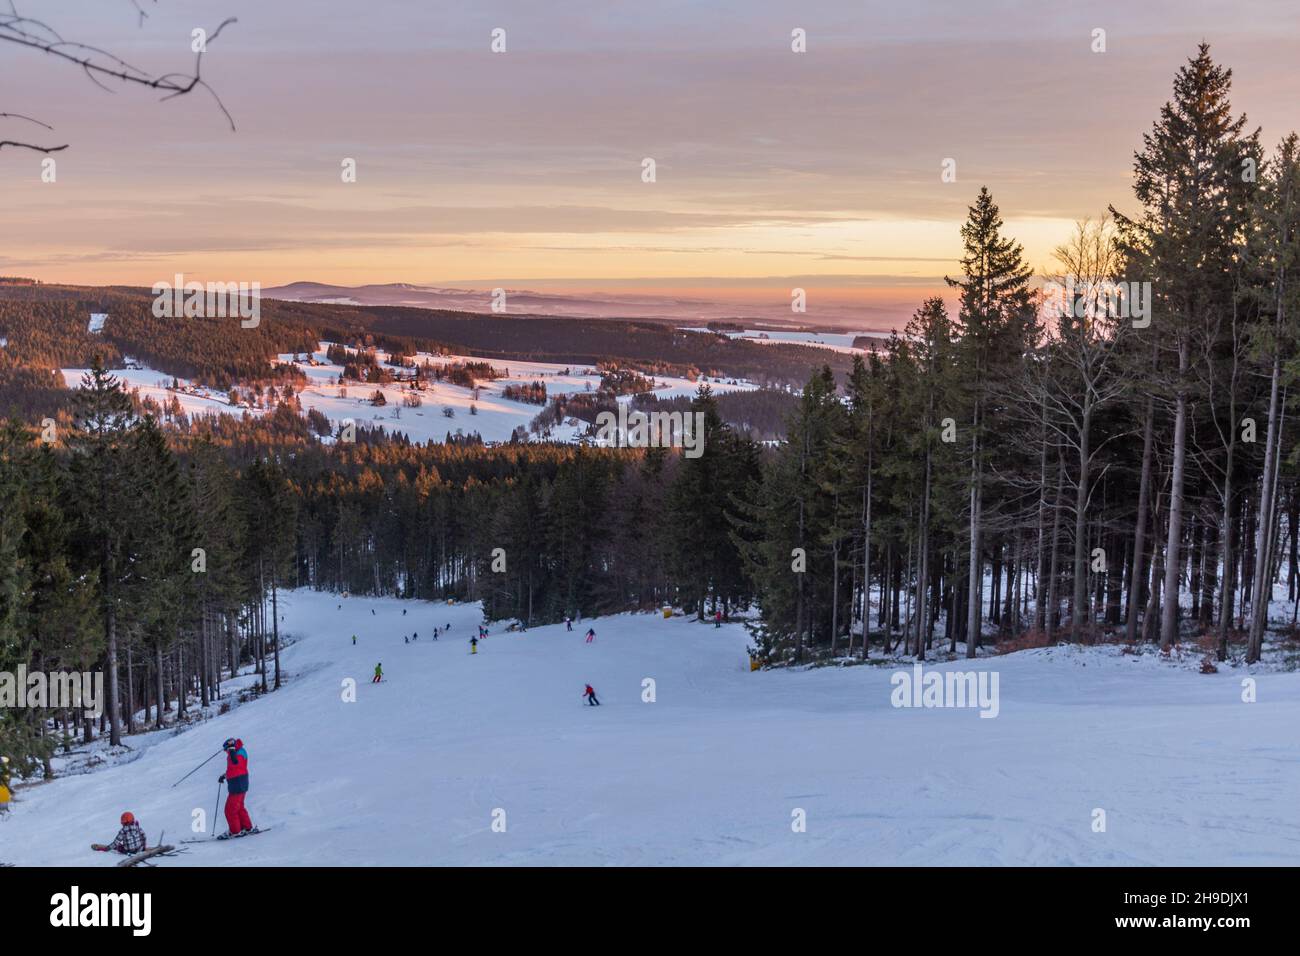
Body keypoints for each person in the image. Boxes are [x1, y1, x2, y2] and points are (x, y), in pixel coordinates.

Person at [218, 738, 254, 838]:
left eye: (226, 749)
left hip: (238, 784)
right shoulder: (235, 752)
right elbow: (235, 768)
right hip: (239, 783)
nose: (226, 751)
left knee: (230, 810)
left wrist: (231, 749)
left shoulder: (239, 752)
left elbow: (236, 762)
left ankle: (235, 831)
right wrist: (224, 776)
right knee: (239, 807)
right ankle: (247, 827)